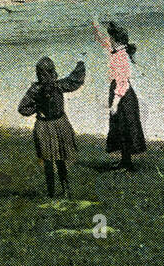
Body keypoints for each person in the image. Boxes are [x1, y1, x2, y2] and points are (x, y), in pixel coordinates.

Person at [17, 57, 86, 198]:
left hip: (50, 125)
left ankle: (55, 193)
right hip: (54, 125)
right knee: (56, 159)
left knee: (53, 160)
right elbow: (75, 81)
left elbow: (23, 108)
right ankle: (61, 191)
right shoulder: (53, 86)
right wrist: (81, 64)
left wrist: (36, 108)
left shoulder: (40, 88)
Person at [92, 18, 146, 171]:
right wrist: (96, 24)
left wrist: (115, 102)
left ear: (116, 41)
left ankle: (127, 163)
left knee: (124, 128)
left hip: (123, 96)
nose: (109, 40)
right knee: (120, 128)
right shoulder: (117, 51)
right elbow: (103, 41)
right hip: (119, 93)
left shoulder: (121, 57)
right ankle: (124, 161)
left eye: (111, 38)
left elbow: (123, 83)